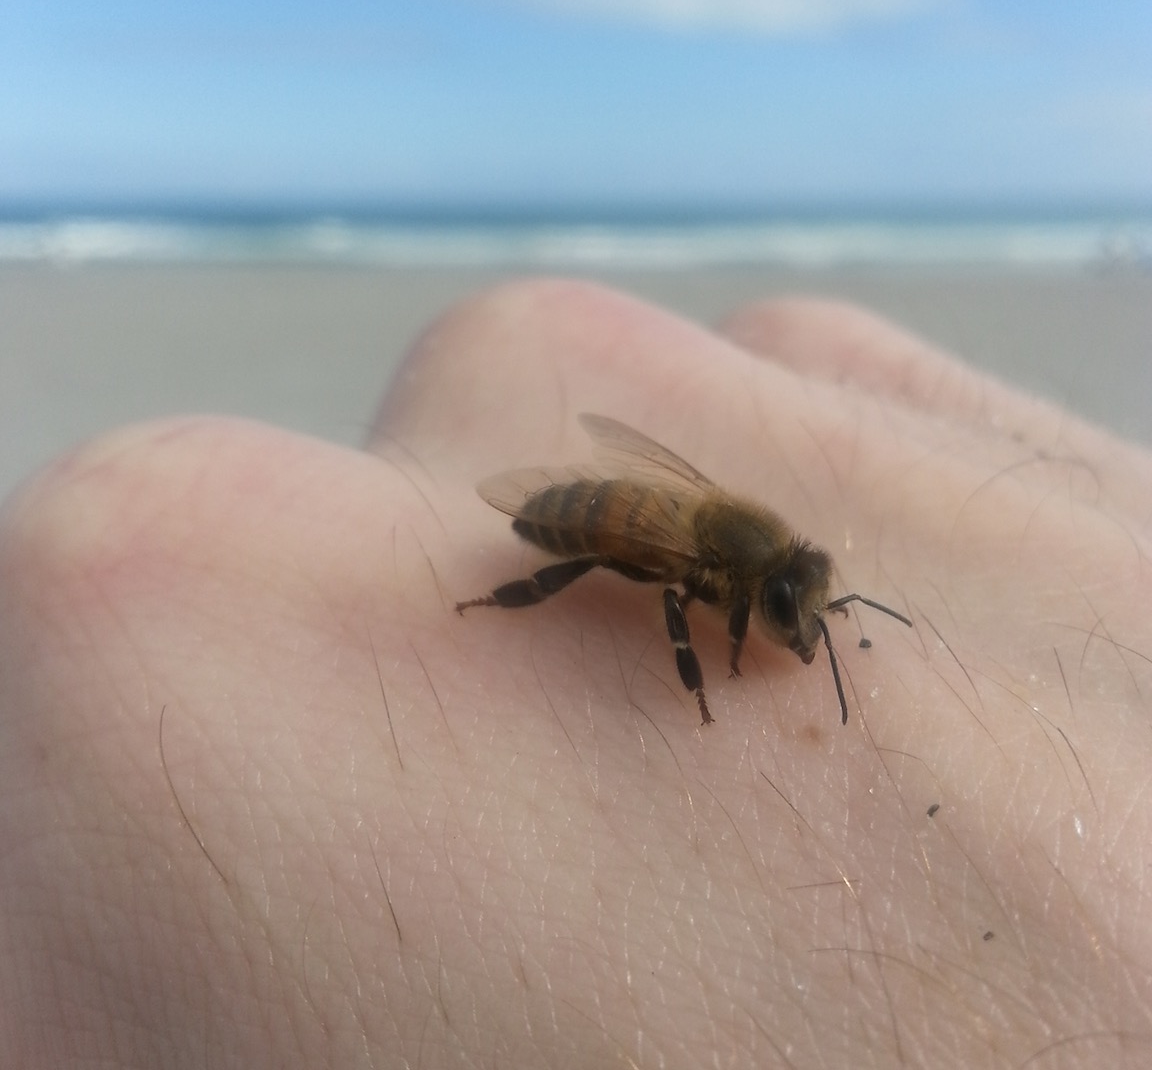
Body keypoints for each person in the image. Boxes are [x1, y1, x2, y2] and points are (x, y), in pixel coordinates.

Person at [1, 280, 1148, 1068]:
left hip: (649, 497)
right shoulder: (701, 566)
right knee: (612, 568)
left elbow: (676, 485)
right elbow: (657, 562)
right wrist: (703, 685)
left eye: (804, 609)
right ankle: (490, 606)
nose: (803, 633)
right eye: (792, 613)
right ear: (757, 581)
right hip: (591, 519)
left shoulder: (755, 542)